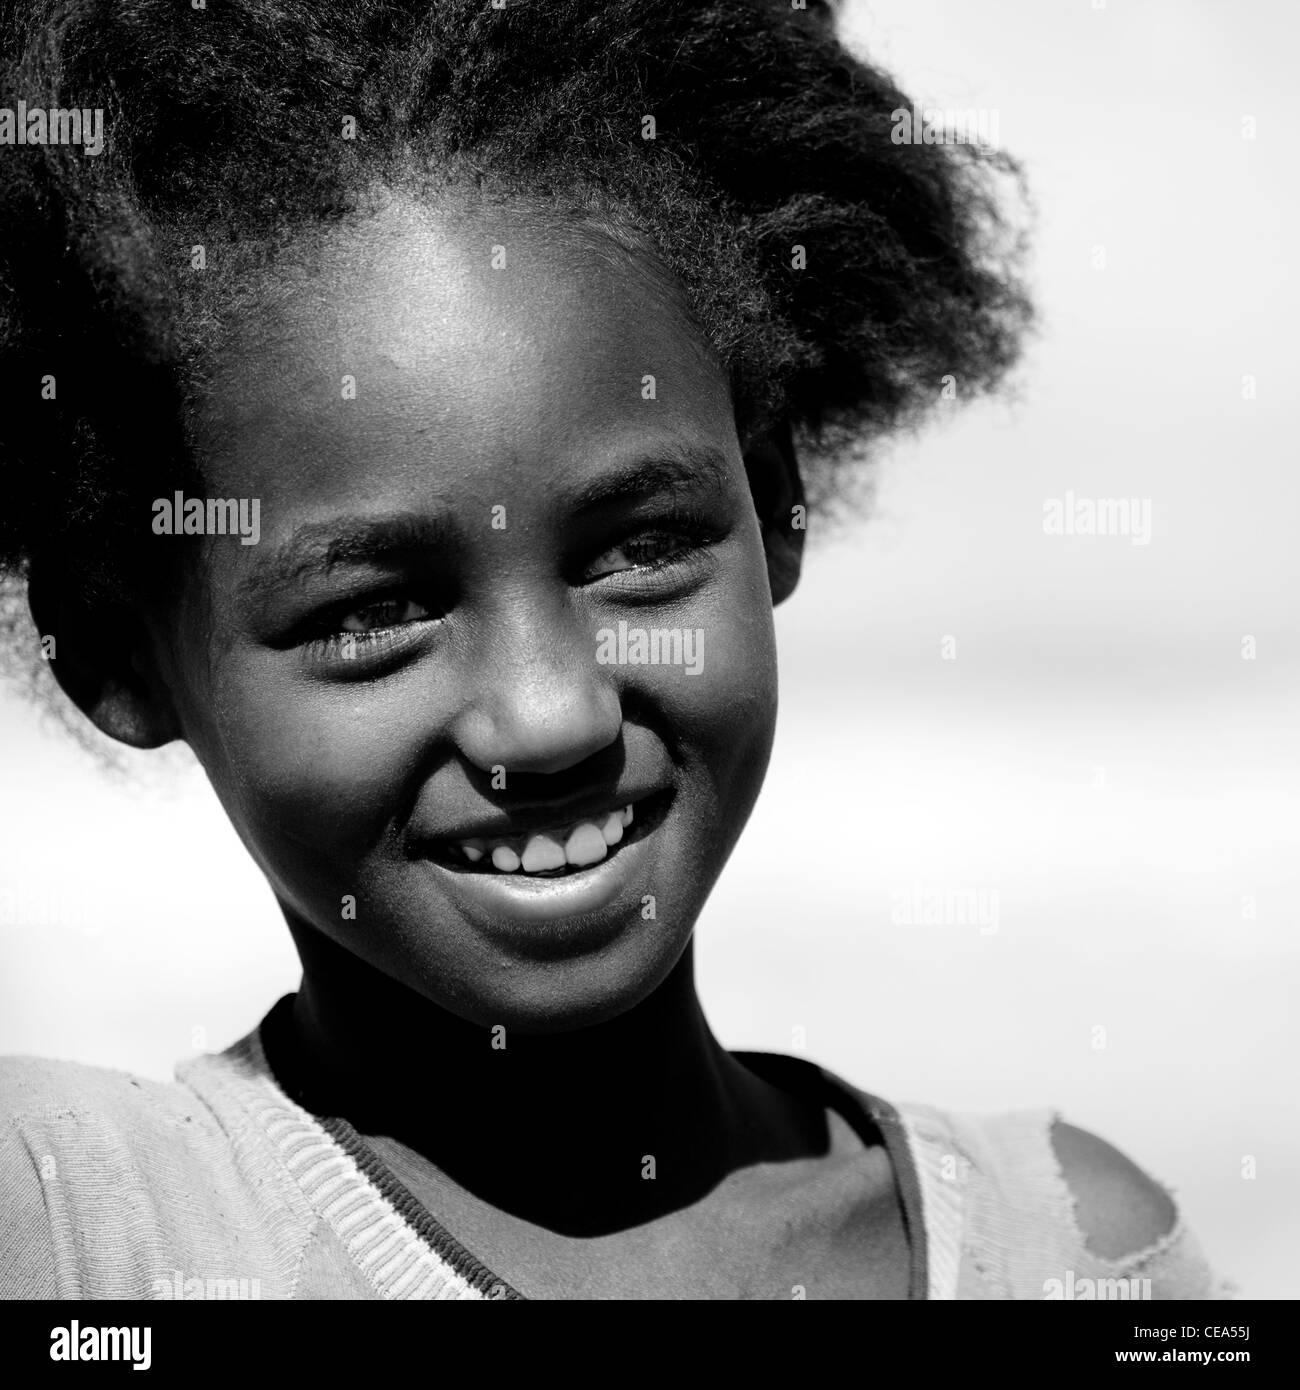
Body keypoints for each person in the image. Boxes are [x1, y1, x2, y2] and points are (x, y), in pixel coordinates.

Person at [0, 0, 1225, 1298]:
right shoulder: (72, 1223)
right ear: (118, 665)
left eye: (638, 548)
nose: (551, 717)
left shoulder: (1078, 1252)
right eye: (371, 614)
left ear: (772, 503)